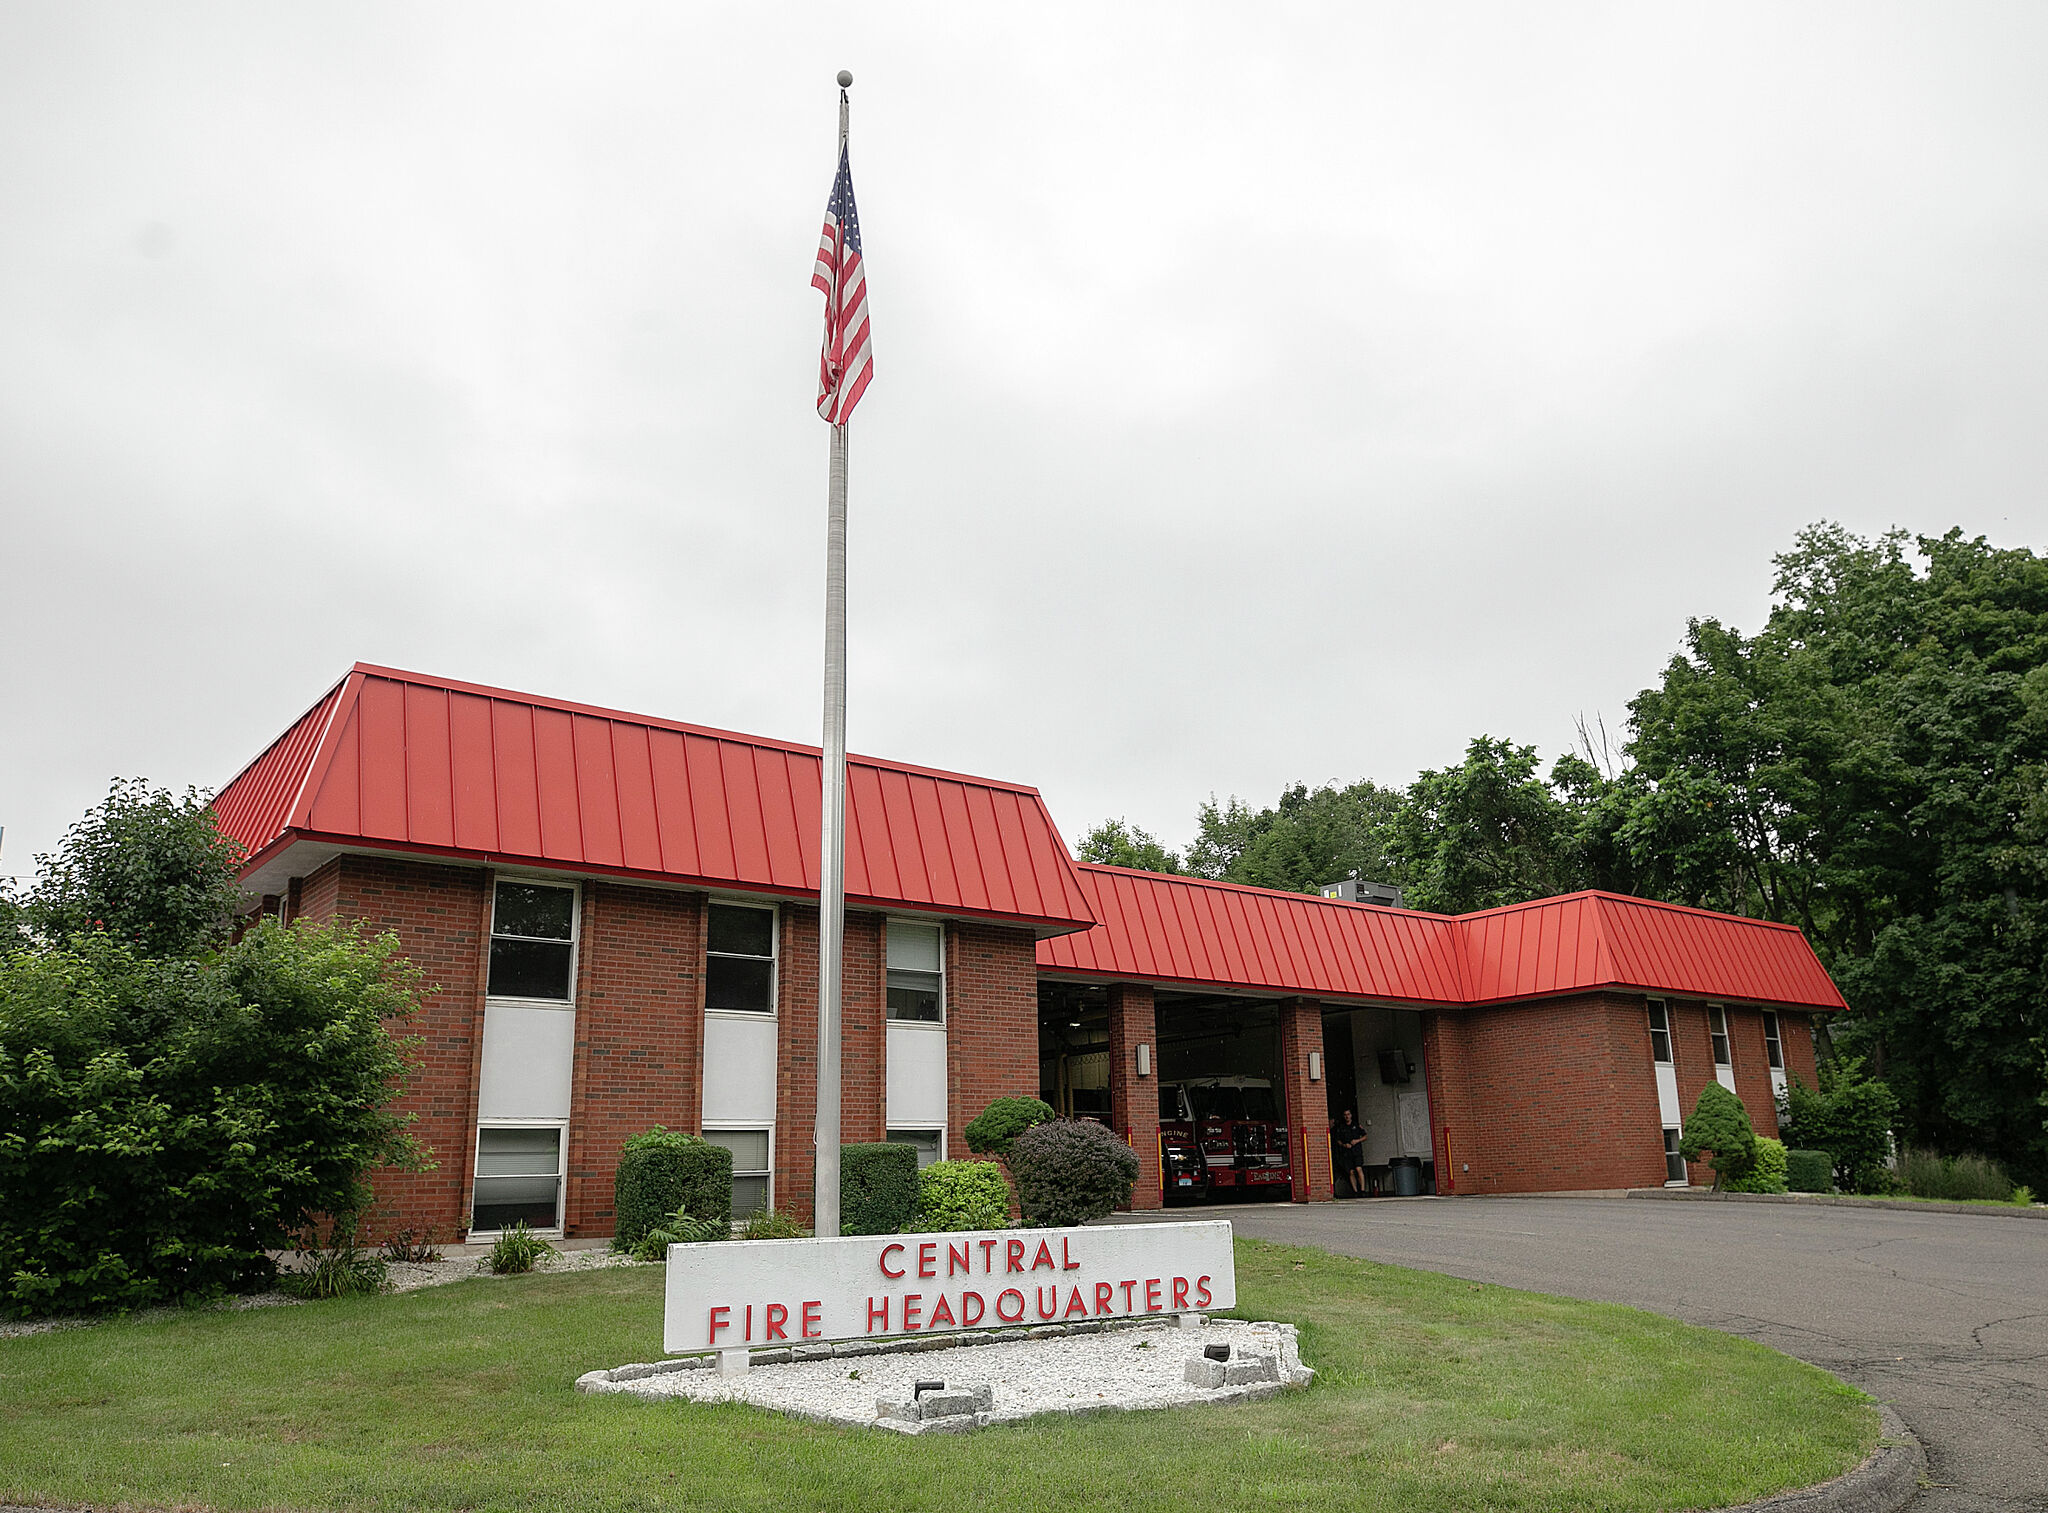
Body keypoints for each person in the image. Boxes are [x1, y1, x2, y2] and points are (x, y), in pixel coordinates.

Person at [1331, 1109, 1367, 1196]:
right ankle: (1355, 1191)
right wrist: (1344, 1145)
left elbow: (1365, 1136)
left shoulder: (1356, 1125)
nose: (1347, 1116)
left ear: (1351, 1115)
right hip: (1347, 1152)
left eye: (1348, 1114)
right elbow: (1338, 1140)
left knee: (1358, 1169)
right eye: (1345, 1115)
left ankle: (1362, 1190)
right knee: (1351, 1172)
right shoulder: (1341, 1127)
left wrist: (1357, 1141)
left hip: (1356, 1151)